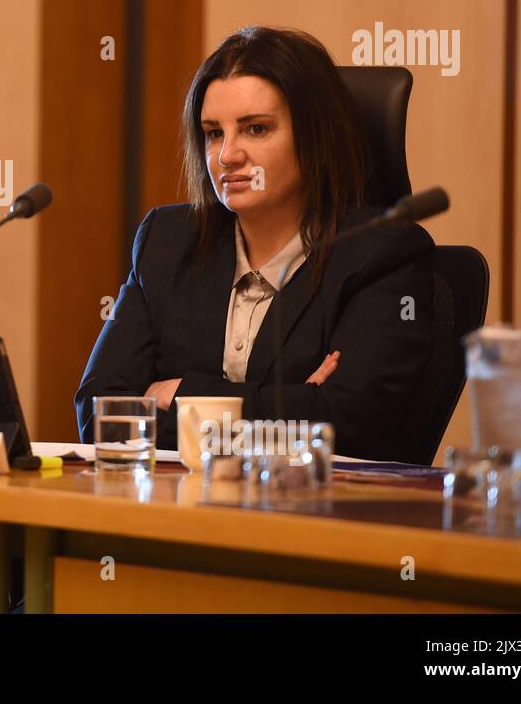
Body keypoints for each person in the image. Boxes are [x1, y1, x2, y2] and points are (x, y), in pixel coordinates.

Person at [76, 26, 434, 463]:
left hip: (316, 520)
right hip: (177, 510)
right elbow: (102, 413)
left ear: (315, 135)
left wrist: (183, 393)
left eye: (256, 129)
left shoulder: (384, 252)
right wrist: (291, 402)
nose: (227, 155)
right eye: (212, 133)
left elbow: (348, 423)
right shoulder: (167, 242)